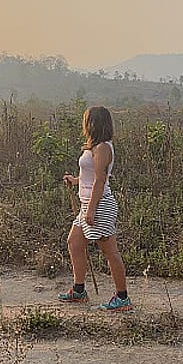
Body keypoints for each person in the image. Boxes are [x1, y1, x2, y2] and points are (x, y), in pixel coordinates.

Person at [59, 105, 132, 311]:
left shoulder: (102, 148)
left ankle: (122, 297)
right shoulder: (95, 147)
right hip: (87, 205)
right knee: (74, 243)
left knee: (110, 252)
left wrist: (91, 209)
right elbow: (90, 174)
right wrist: (75, 180)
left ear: (93, 123)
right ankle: (79, 290)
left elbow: (100, 180)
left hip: (99, 206)